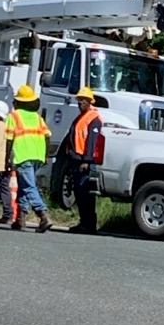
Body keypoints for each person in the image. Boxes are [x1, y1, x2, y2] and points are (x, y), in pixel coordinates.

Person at [6, 85, 54, 233]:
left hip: (23, 155)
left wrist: (7, 158)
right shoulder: (37, 117)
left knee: (29, 186)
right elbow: (47, 137)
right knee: (24, 185)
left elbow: (9, 139)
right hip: (37, 155)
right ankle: (20, 219)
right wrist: (45, 155)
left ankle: (43, 215)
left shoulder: (13, 116)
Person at [65, 86, 103, 234]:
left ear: (90, 101)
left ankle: (88, 224)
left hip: (84, 161)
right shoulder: (81, 117)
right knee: (80, 194)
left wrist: (86, 160)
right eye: (79, 100)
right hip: (76, 159)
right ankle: (84, 223)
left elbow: (91, 142)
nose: (80, 102)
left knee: (85, 194)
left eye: (83, 100)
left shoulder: (93, 118)